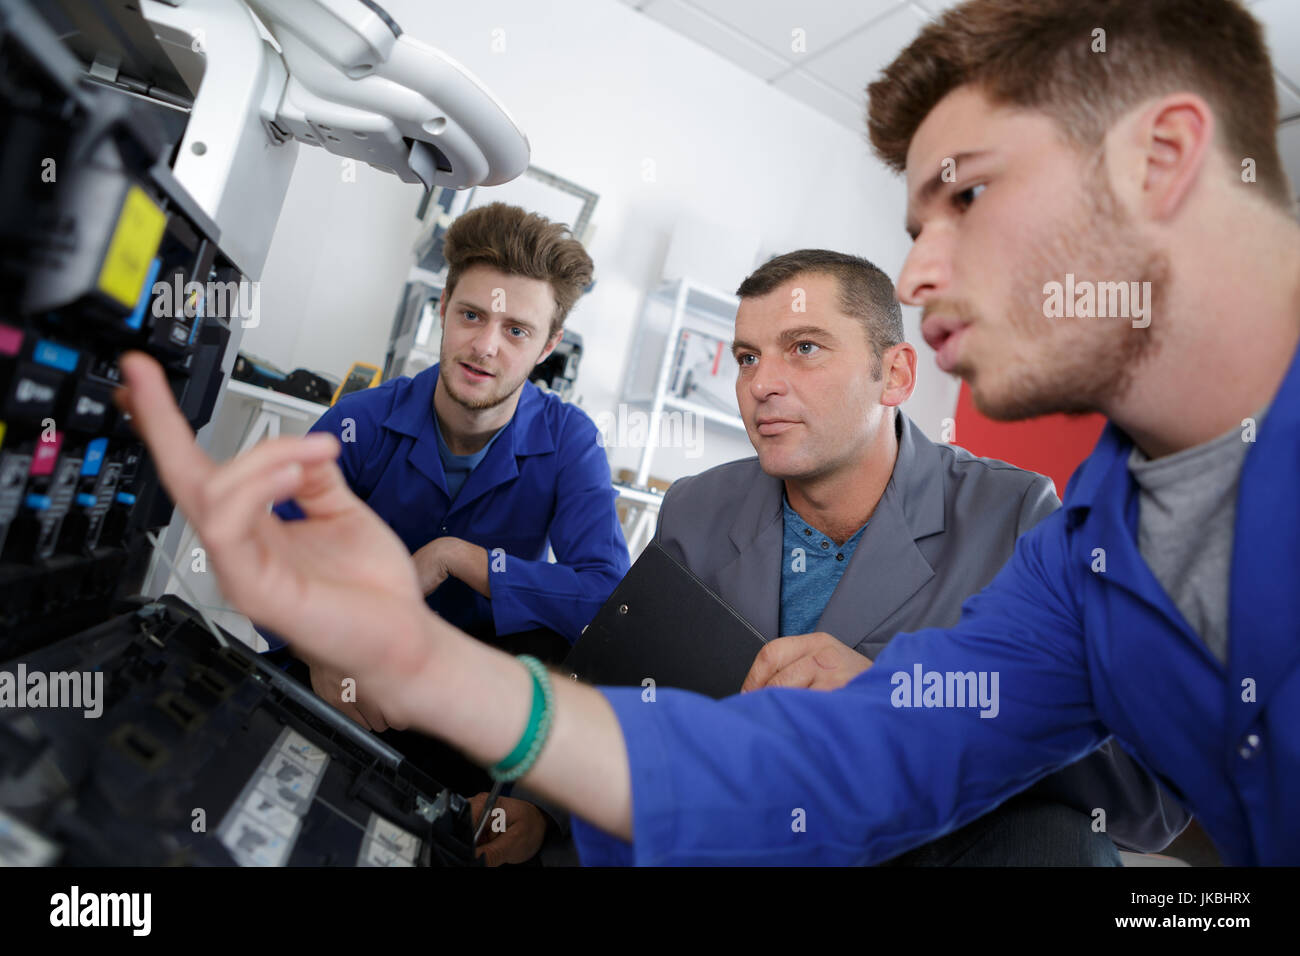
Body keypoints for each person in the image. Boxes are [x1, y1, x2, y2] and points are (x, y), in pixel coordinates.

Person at [116, 0, 1299, 866]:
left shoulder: (1021, 519)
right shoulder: (1087, 548)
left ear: (1160, 159)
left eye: (969, 195)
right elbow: (824, 760)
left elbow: (1132, 811)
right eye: (914, 218)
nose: (921, 267)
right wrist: (414, 654)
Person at [656, 249, 1185, 863]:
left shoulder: (1017, 516)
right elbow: (629, 700)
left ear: (896, 376)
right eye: (748, 356)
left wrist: (902, 697)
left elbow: (1150, 794)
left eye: (803, 347)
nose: (760, 384)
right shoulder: (694, 509)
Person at [265, 201, 629, 859]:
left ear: (548, 347)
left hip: (463, 711)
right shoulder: (362, 422)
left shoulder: (570, 443)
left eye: (517, 330)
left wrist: (460, 558)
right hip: (336, 678)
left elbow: (608, 598)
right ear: (442, 308)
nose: (486, 346)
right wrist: (318, 654)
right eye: (472, 315)